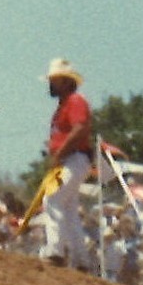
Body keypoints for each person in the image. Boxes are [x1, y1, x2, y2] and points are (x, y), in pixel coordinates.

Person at [40, 58, 92, 270]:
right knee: (68, 208)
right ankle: (81, 260)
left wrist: (60, 151)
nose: (50, 84)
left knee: (52, 200)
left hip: (74, 157)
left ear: (65, 81)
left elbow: (80, 128)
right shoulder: (64, 106)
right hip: (70, 159)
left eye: (54, 80)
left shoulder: (75, 101)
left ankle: (55, 251)